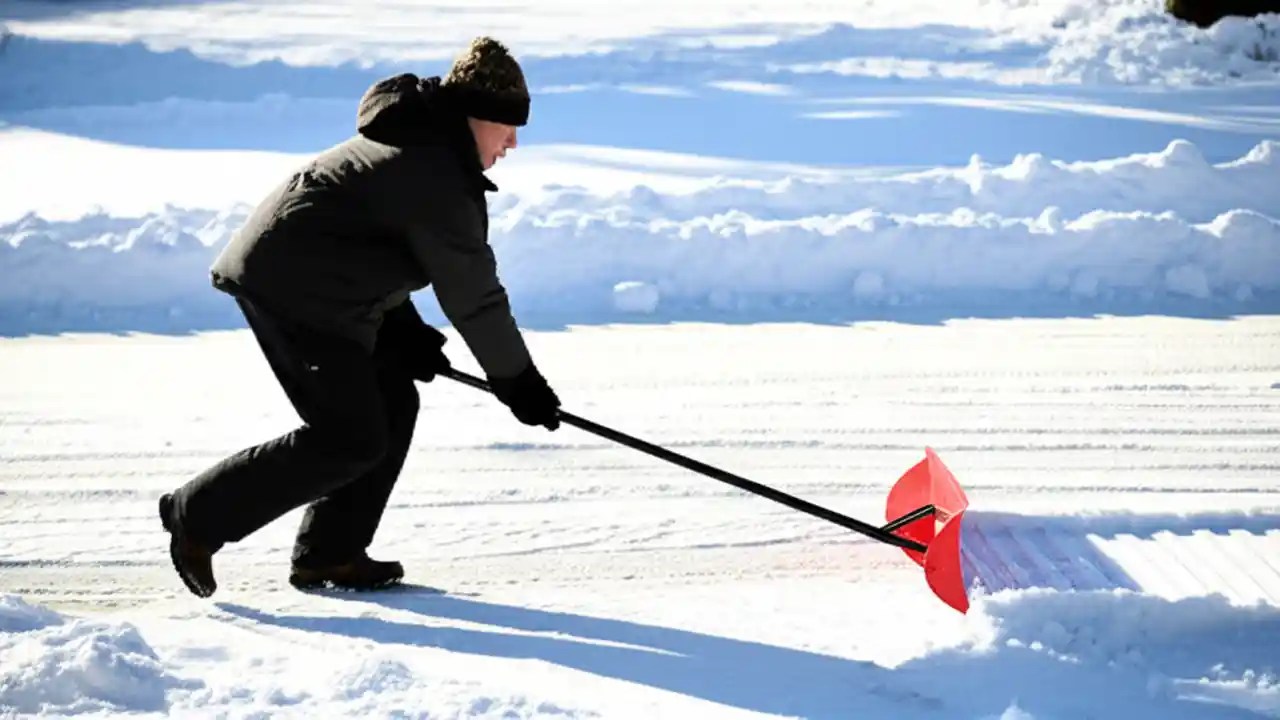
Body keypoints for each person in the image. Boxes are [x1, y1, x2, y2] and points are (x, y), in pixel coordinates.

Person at [158, 37, 561, 598]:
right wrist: (518, 382)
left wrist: (404, 329)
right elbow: (476, 297)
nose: (513, 142)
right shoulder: (437, 176)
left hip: (317, 279)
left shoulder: (422, 145)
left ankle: (331, 552)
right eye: (504, 125)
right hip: (292, 286)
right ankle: (196, 516)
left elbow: (371, 238)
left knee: (393, 399)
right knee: (349, 436)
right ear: (471, 116)